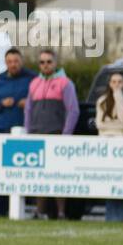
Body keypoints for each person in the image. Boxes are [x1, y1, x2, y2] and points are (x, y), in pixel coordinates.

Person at [24, 49, 78, 220]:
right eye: (42, 62)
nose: (45, 65)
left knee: (58, 175)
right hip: (37, 134)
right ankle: (40, 211)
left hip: (56, 134)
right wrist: (28, 130)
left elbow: (72, 110)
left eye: (49, 61)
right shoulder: (34, 83)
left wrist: (65, 134)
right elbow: (28, 109)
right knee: (39, 176)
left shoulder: (65, 83)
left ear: (55, 63)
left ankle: (61, 212)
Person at [0, 47, 36, 214]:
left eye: (16, 61)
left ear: (21, 61)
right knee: (0, 171)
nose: (13, 65)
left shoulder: (32, 78)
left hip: (23, 132)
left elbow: (40, 99)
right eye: (9, 62)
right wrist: (1, 103)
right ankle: (0, 209)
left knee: (20, 172)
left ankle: (24, 208)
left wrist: (28, 102)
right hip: (1, 130)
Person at [94, 71, 123, 222]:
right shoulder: (102, 101)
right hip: (107, 146)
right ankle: (110, 216)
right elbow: (100, 124)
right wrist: (115, 129)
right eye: (113, 82)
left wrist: (119, 97)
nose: (116, 85)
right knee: (110, 180)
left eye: (120, 82)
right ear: (109, 84)